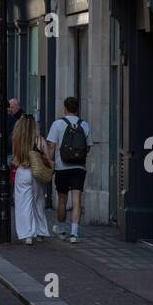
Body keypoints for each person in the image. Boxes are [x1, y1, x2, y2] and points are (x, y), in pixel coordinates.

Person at [45, 96, 92, 243]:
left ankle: (60, 228)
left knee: (62, 200)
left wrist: (50, 163)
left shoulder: (57, 124)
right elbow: (88, 147)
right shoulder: (84, 125)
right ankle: (74, 234)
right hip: (79, 167)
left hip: (62, 167)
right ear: (77, 108)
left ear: (65, 108)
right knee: (77, 200)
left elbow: (51, 147)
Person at [12, 115, 51, 244]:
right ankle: (40, 232)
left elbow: (15, 160)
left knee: (24, 204)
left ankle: (27, 234)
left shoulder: (17, 140)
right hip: (37, 173)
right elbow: (48, 158)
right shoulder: (40, 140)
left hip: (23, 173)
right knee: (39, 203)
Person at [0, 97, 23, 205]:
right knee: (9, 174)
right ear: (8, 108)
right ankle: (8, 197)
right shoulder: (14, 121)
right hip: (9, 151)